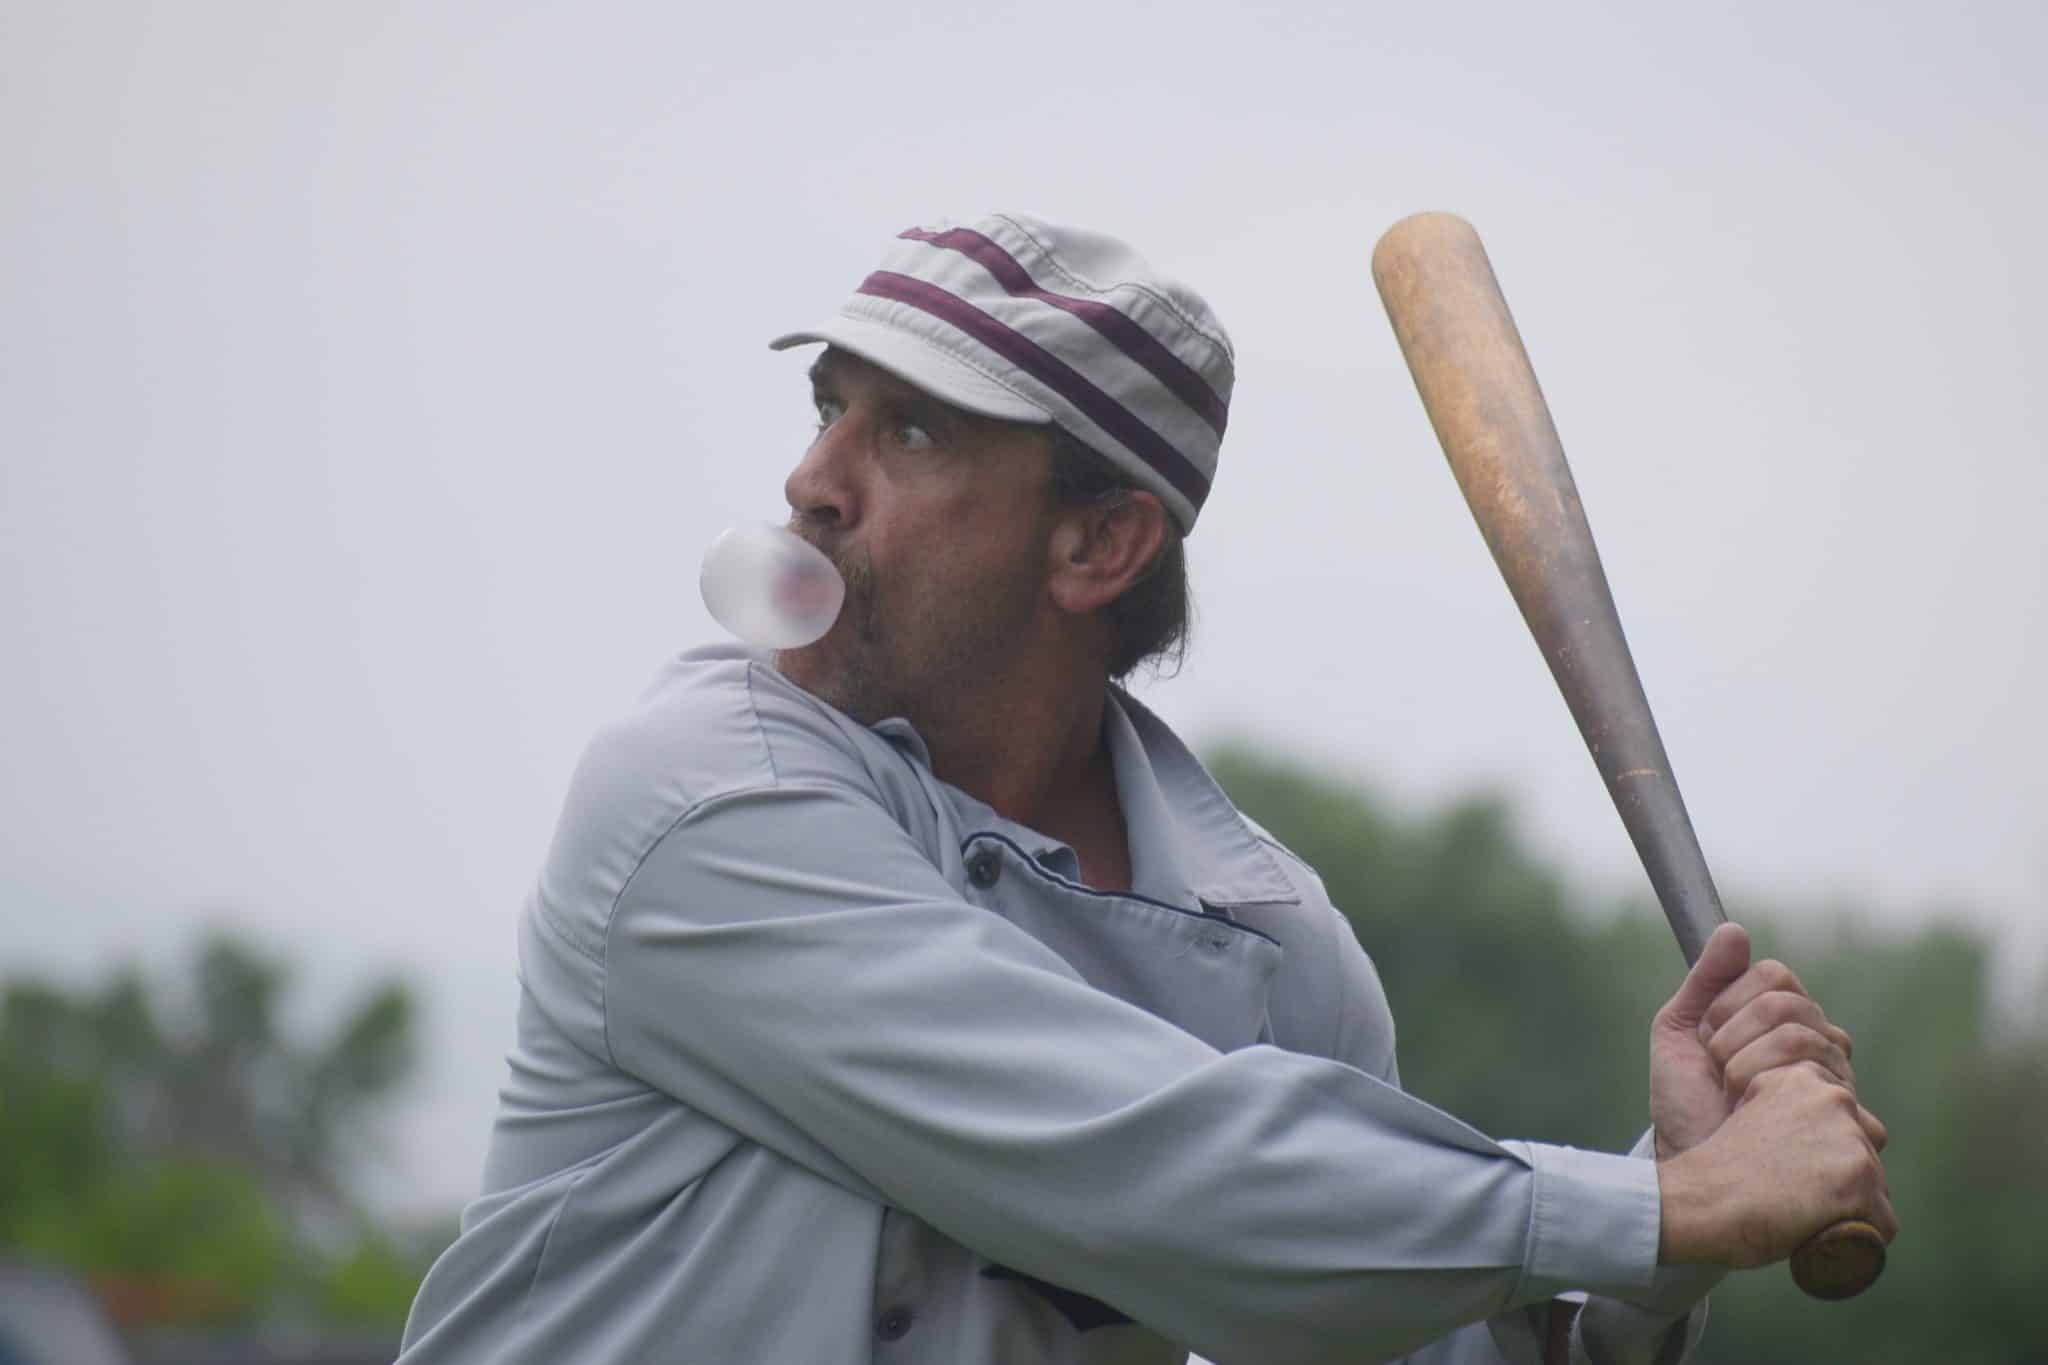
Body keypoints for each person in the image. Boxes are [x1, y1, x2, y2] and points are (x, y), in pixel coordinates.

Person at [397, 213, 1895, 1365]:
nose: (814, 481)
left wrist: (1672, 1208)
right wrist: (1659, 1213)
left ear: (1097, 547)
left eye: (906, 430)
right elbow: (1156, 1160)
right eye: (829, 405)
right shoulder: (698, 803)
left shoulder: (1275, 953)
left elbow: (1380, 1317)